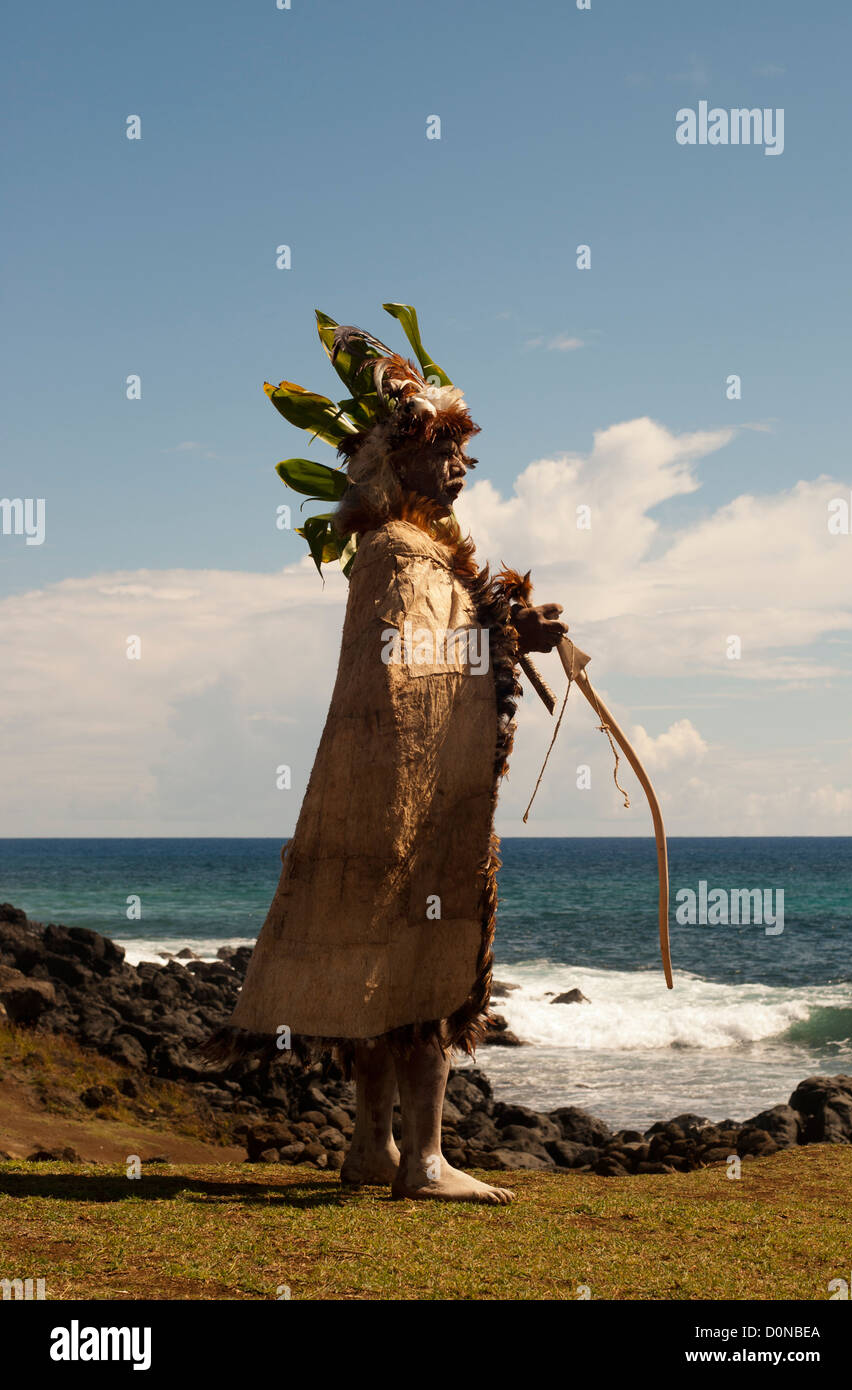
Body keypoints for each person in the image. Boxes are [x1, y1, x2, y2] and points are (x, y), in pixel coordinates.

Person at [205, 309, 566, 1203]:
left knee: (389, 967)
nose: (459, 466)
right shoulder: (401, 555)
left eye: (461, 453)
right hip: (410, 801)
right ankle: (425, 1160)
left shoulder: (409, 554)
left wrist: (506, 628)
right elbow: (408, 668)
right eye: (441, 450)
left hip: (397, 795)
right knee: (417, 968)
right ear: (392, 460)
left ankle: (375, 1151)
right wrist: (503, 637)